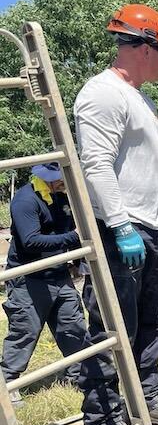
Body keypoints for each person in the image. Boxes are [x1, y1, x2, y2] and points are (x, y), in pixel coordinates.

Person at [73, 4, 158, 425]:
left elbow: (143, 165)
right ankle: (102, 419)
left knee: (152, 320)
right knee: (110, 325)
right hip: (123, 231)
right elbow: (96, 165)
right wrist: (121, 224)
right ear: (145, 48)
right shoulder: (103, 94)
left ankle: (148, 393)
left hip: (155, 226)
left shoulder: (141, 99)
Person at [2, 163, 87, 407]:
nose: (63, 183)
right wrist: (74, 236)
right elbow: (31, 241)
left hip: (59, 274)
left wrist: (78, 259)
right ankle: (8, 383)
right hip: (29, 278)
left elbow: (69, 228)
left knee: (73, 326)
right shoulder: (25, 201)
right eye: (59, 179)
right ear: (46, 179)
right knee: (24, 332)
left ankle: (76, 375)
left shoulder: (62, 196)